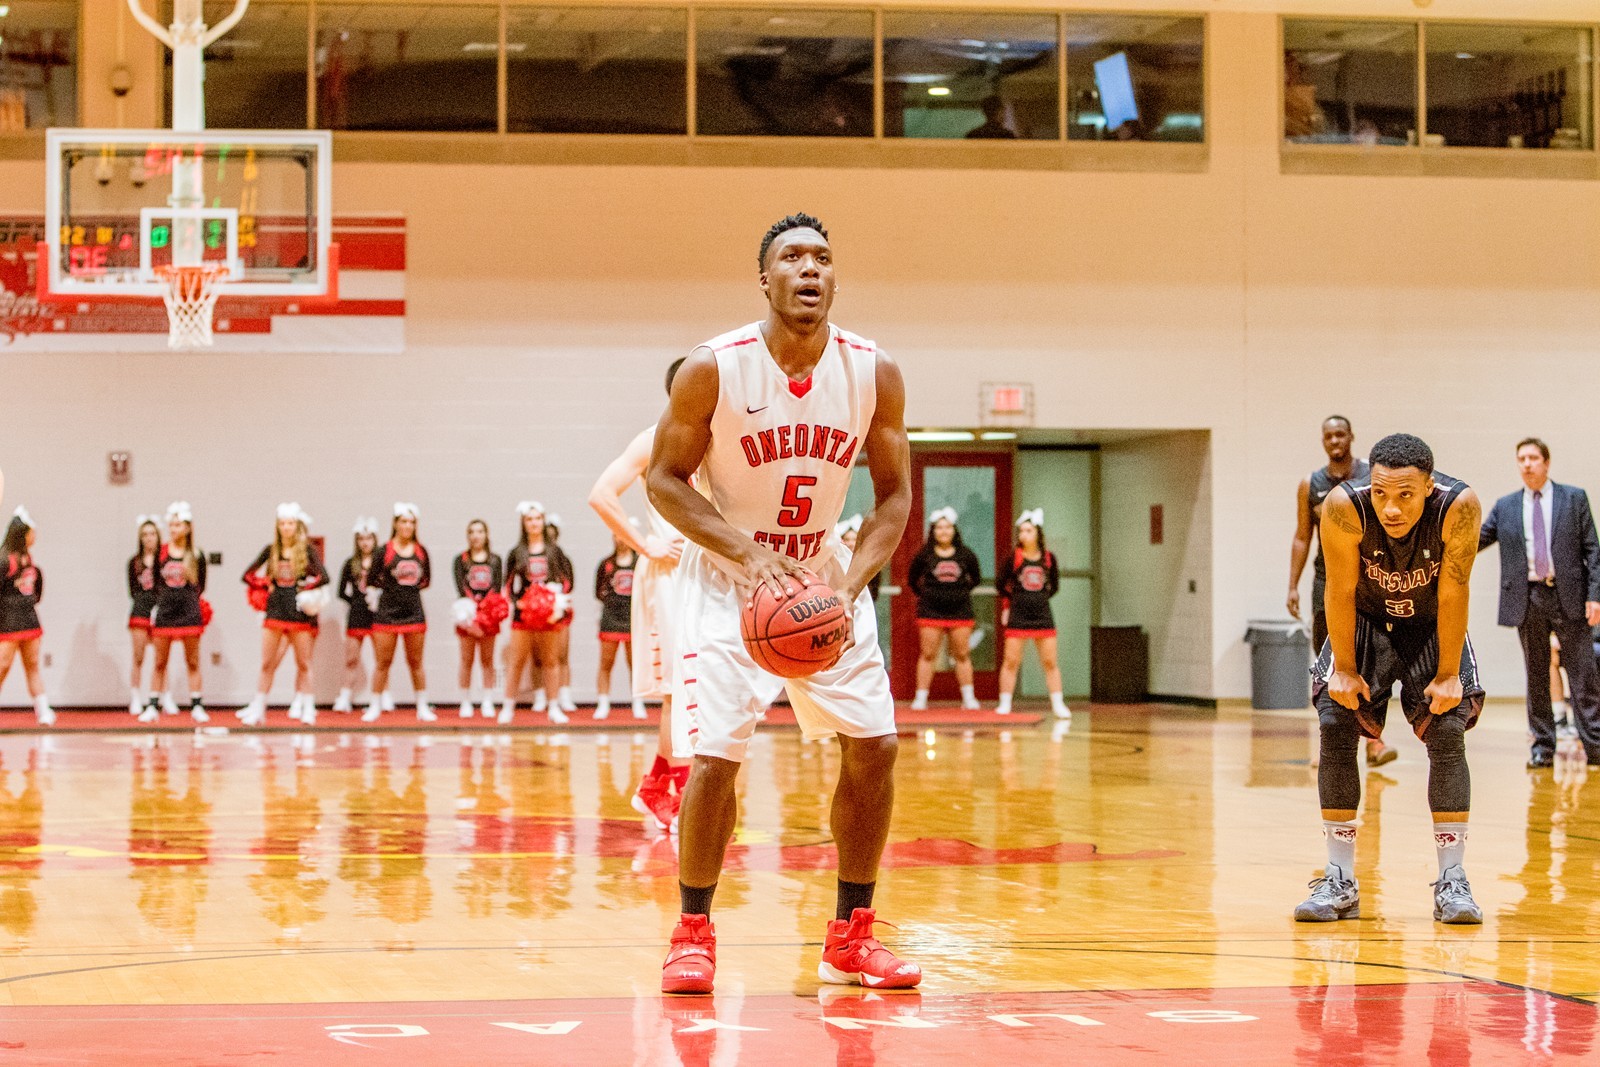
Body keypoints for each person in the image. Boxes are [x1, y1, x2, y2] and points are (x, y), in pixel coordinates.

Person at [646, 212, 921, 994]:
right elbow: (662, 480)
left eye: (824, 258)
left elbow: (895, 497)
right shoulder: (712, 367)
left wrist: (851, 580)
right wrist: (744, 552)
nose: (811, 269)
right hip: (731, 576)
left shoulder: (875, 370)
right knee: (715, 756)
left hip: (824, 573)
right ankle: (693, 928)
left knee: (876, 744)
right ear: (763, 279)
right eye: (793, 258)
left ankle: (851, 932)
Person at [1298, 433, 1485, 925]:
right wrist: (1343, 669)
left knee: (1447, 730)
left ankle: (1453, 880)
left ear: (1428, 486)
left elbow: (1455, 591)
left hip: (1430, 624)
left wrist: (1448, 675)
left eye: (1405, 495)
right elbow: (1337, 591)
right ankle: (1339, 877)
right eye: (1381, 493)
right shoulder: (1343, 506)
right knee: (1336, 722)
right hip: (1363, 621)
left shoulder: (1458, 506)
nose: (1391, 507)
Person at [588, 359, 694, 829]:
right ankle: (686, 791)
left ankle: (655, 786)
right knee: (680, 690)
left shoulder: (722, 437)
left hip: (709, 574)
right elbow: (602, 494)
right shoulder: (653, 439)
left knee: (701, 689)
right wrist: (644, 543)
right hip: (670, 575)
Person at [1477, 437, 1600, 769]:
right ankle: (1542, 746)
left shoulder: (1572, 498)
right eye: (1521, 458)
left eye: (1533, 457)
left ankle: (1596, 746)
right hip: (1528, 597)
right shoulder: (1505, 506)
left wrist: (1595, 596)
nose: (1527, 463)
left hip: (1568, 594)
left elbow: (1593, 550)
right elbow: (1478, 539)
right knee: (1536, 674)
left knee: (1582, 672)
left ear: (1546, 462)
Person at [1288, 416, 1394, 767]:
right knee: (1328, 661)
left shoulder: (1371, 475)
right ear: (1323, 441)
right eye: (1328, 436)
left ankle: (1374, 740)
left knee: (1371, 657)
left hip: (1368, 576)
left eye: (1340, 434)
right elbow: (1303, 536)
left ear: (1351, 436)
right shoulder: (1311, 484)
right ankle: (1333, 738)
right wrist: (1292, 585)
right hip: (1326, 580)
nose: (1334, 441)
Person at [236, 504, 330, 727]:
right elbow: (247, 575)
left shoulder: (307, 551)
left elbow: (324, 577)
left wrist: (304, 590)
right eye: (282, 524)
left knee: (303, 663)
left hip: (298, 613)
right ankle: (259, 708)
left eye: (290, 523)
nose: (286, 528)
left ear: (296, 526)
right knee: (268, 663)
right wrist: (264, 584)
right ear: (277, 526)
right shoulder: (270, 550)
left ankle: (308, 707)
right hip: (275, 610)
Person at [500, 501, 572, 725]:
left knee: (550, 661)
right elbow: (507, 584)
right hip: (523, 616)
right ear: (523, 522)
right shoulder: (516, 552)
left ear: (543, 521)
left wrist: (554, 601)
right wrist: (518, 603)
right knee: (517, 661)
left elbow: (566, 581)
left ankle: (554, 707)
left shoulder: (554, 551)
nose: (534, 523)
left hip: (549, 615)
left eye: (538, 518)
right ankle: (508, 707)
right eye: (529, 519)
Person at [995, 508, 1070, 719]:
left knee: (1050, 662)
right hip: (1018, 616)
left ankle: (1058, 703)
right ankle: (1005, 702)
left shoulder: (1048, 558)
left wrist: (1038, 600)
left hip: (1043, 616)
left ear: (1037, 532)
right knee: (1011, 661)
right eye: (1021, 531)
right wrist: (1011, 603)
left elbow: (1054, 586)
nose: (1023, 535)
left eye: (1028, 530)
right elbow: (1001, 584)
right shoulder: (1014, 558)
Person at [363, 503, 433, 723]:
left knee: (416, 662)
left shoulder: (421, 551)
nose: (407, 526)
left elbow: (426, 580)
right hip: (387, 613)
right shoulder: (384, 550)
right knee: (383, 662)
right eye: (403, 521)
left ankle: (422, 706)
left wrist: (407, 591)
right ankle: (374, 705)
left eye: (411, 522)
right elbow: (371, 578)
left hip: (414, 612)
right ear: (395, 523)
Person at [908, 507, 983, 710]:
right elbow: (912, 580)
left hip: (960, 611)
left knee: (962, 654)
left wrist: (958, 592)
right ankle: (921, 698)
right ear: (933, 531)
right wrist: (929, 595)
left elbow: (976, 578)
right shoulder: (924, 555)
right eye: (939, 528)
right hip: (930, 611)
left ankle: (968, 698)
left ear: (954, 530)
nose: (943, 531)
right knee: (928, 654)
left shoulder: (966, 555)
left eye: (947, 527)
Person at [145, 501, 209, 724]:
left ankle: (197, 705)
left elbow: (202, 585)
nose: (174, 529)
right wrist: (161, 603)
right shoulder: (161, 552)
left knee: (192, 661)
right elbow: (154, 582)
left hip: (189, 611)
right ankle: (153, 705)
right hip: (166, 611)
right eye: (171, 525)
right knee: (160, 661)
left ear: (188, 528)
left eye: (178, 525)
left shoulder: (197, 554)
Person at [0, 507, 52, 726]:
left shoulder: (29, 560)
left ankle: (43, 709)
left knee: (32, 665)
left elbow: (36, 592)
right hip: (9, 622)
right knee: (2, 666)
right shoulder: (4, 561)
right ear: (23, 534)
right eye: (32, 532)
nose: (35, 536)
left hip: (30, 620)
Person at [452, 519, 505, 720]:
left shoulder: (495, 560)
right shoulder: (461, 560)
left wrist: (485, 611)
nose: (476, 535)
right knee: (466, 660)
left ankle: (487, 700)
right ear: (468, 536)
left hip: (488, 615)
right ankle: (465, 700)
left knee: (487, 660)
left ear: (486, 534)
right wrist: (472, 612)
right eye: (472, 532)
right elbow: (460, 587)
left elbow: (496, 587)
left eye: (480, 531)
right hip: (467, 615)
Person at [333, 518, 379, 713]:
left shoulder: (381, 561)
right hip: (357, 613)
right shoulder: (351, 563)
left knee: (382, 659)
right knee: (351, 658)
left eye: (369, 538)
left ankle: (381, 696)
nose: (365, 542)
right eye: (361, 539)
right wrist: (356, 602)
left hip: (377, 613)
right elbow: (341, 591)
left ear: (375, 539)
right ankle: (344, 696)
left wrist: (378, 598)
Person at [592, 532, 637, 721]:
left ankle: (638, 702)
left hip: (633, 618)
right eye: (617, 535)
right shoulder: (606, 563)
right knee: (606, 662)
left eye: (624, 535)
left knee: (634, 664)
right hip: (611, 617)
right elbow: (598, 592)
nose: (620, 539)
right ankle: (603, 702)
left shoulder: (640, 563)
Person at [127, 515, 163, 715]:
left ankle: (163, 696)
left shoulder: (163, 560)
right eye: (144, 535)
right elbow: (132, 590)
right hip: (140, 610)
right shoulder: (134, 562)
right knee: (138, 656)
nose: (148, 538)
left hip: (160, 610)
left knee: (160, 657)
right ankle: (135, 695)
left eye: (152, 534)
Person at [546, 513, 579, 715]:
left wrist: (557, 596)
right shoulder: (539, 556)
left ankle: (565, 695)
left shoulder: (563, 557)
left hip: (560, 610)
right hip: (542, 610)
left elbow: (570, 582)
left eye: (552, 535)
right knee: (543, 658)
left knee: (562, 655)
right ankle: (543, 694)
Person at [835, 514, 881, 601]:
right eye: (847, 539)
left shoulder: (869, 560)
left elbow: (874, 585)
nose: (851, 543)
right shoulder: (836, 560)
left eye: (854, 539)